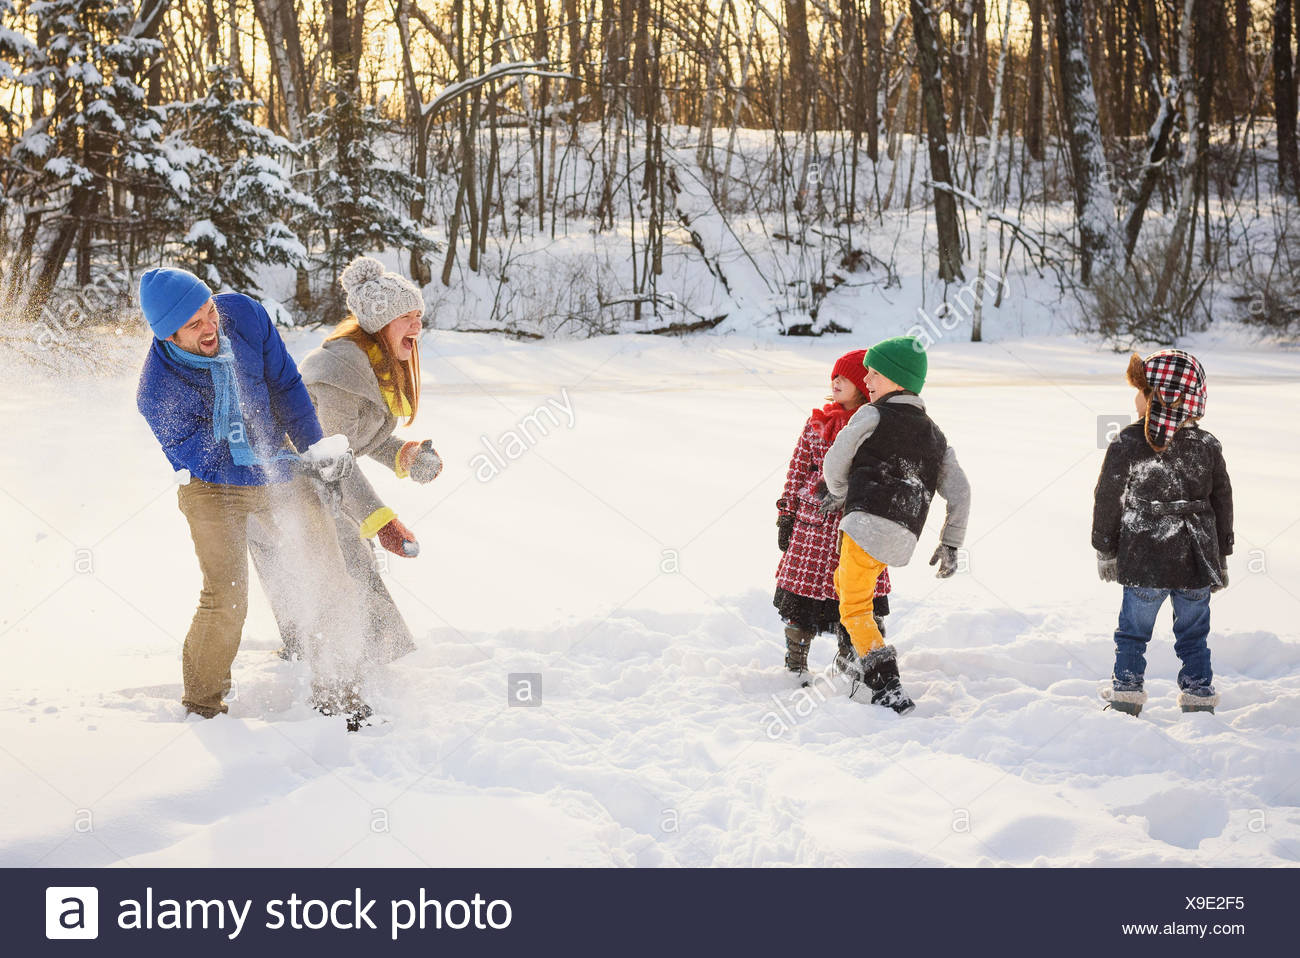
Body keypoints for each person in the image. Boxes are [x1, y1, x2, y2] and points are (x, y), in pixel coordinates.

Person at [135, 267, 372, 729]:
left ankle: (340, 693)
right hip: (210, 486)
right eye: (195, 324)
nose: (211, 327)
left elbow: (284, 384)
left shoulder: (242, 314)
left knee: (328, 573)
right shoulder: (156, 391)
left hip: (276, 456)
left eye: (209, 311)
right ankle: (203, 707)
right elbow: (205, 458)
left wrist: (312, 446)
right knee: (225, 597)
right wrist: (277, 465)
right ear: (169, 336)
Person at [268, 256, 442, 664]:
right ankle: (380, 659)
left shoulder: (371, 365)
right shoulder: (339, 372)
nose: (417, 325)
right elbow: (331, 455)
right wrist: (382, 521)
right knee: (350, 566)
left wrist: (404, 454)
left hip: (322, 485)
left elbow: (356, 436)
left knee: (345, 568)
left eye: (418, 315)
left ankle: (355, 655)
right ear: (381, 323)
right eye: (407, 317)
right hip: (291, 486)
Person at [820, 337, 970, 714]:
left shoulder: (871, 415)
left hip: (864, 523)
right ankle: (856, 654)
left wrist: (841, 492)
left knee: (853, 607)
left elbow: (836, 460)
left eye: (875, 372)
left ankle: (887, 685)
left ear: (898, 380)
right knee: (848, 585)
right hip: (903, 535)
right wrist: (951, 541)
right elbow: (961, 492)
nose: (867, 379)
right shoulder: (937, 435)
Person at [1092, 349, 1233, 717]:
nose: (1134, 398)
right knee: (1193, 635)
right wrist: (1221, 556)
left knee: (1132, 633)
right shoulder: (1207, 445)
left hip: (1144, 560)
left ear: (1159, 395)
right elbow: (1222, 503)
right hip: (1195, 561)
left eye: (1141, 390)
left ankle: (1126, 693)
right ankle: (1199, 694)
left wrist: (1105, 548)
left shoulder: (1127, 441)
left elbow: (1108, 497)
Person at [775, 350, 891, 680]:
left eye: (845, 377)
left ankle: (850, 661)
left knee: (855, 595)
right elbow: (798, 469)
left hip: (855, 527)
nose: (835, 382)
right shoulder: (817, 423)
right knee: (802, 599)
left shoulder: (876, 424)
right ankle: (795, 661)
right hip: (812, 530)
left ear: (863, 384)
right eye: (833, 377)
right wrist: (787, 512)